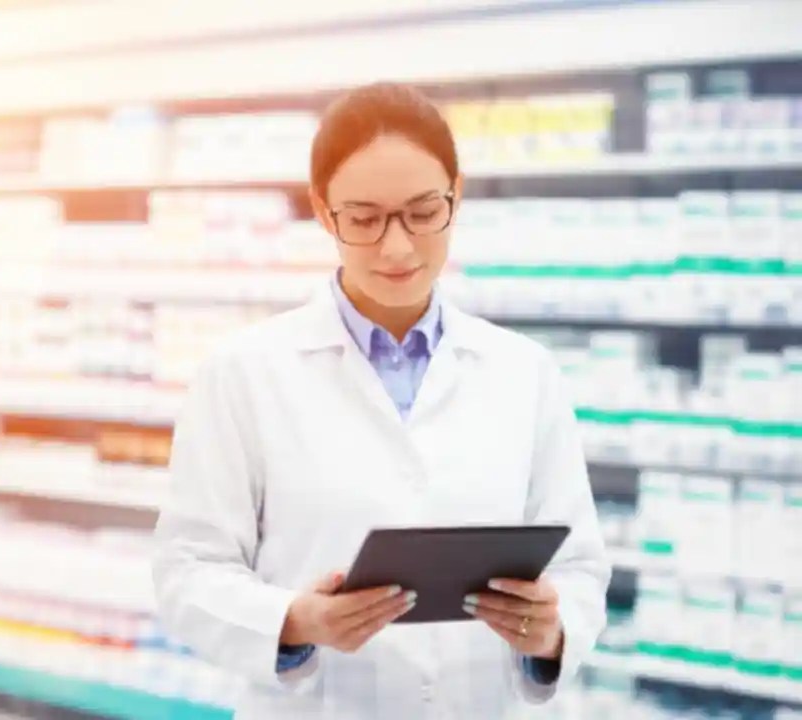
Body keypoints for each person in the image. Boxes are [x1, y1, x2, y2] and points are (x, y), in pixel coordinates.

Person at [152, 83, 610, 719]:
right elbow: (188, 574)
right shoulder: (240, 375)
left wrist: (553, 632)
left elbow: (582, 567)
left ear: (458, 191)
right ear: (321, 209)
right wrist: (294, 620)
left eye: (424, 212)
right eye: (364, 219)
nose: (398, 247)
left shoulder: (525, 372)